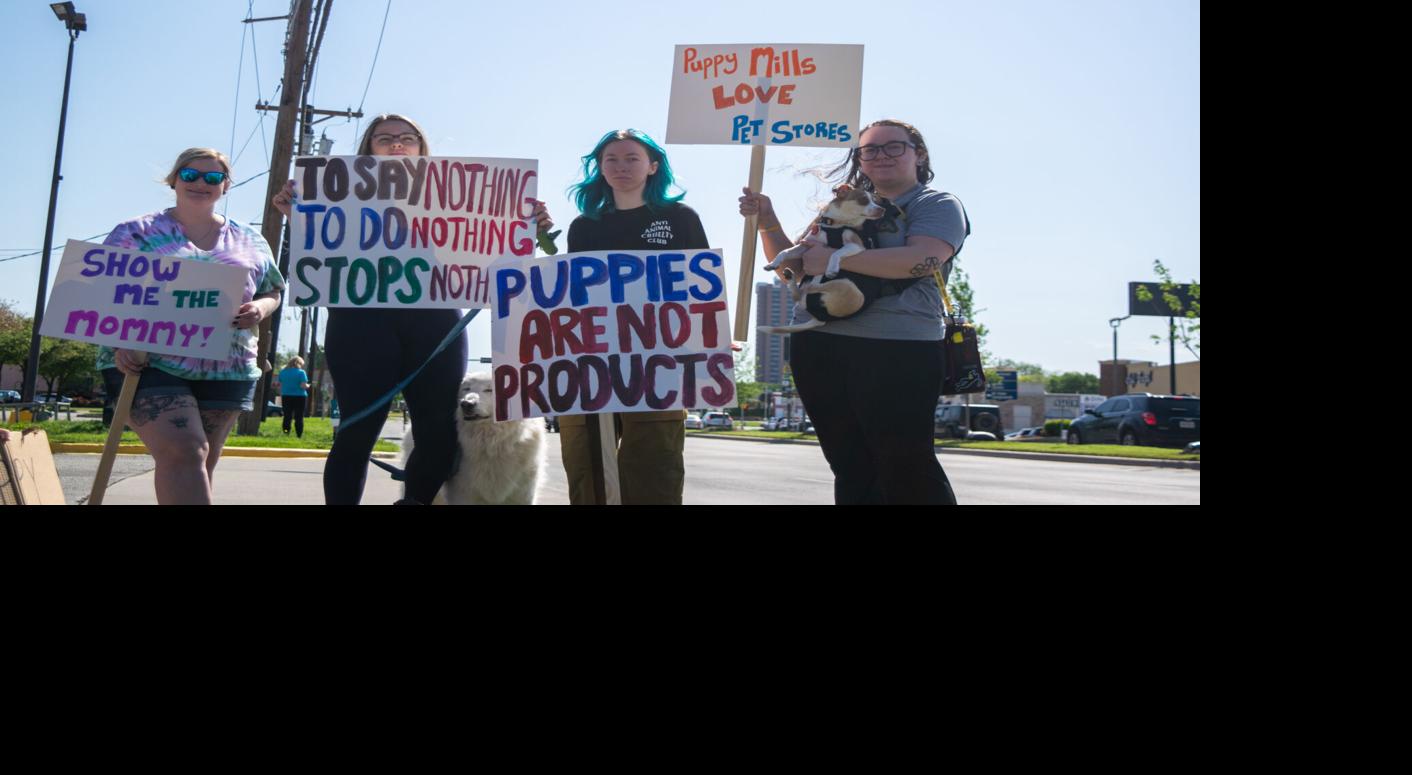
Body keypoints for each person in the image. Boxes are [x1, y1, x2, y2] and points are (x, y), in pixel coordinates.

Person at [272, 113, 553, 504]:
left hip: (435, 323)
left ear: (423, 149)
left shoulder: (457, 199)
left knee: (438, 433)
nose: (396, 144)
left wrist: (523, 229)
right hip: (359, 324)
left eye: (407, 137)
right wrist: (299, 217)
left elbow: (493, 261)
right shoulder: (332, 195)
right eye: (384, 138)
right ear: (368, 148)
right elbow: (309, 259)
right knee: (356, 432)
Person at [738, 120, 968, 504]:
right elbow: (792, 269)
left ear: (919, 154)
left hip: (898, 347)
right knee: (851, 468)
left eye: (893, 147)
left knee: (907, 467)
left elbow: (921, 259)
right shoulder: (842, 206)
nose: (880, 156)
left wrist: (832, 259)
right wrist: (767, 220)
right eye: (869, 150)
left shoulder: (935, 204)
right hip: (819, 346)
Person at [99, 147, 285, 505]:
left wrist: (260, 310)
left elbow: (272, 289)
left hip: (226, 365)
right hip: (146, 360)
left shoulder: (251, 239)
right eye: (191, 175)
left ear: (226, 186)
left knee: (202, 460)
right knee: (186, 450)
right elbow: (102, 290)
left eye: (213, 177)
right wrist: (119, 341)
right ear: (174, 180)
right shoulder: (136, 232)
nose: (201, 183)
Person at [557, 129, 707, 505]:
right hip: (593, 362)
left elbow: (703, 286)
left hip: (660, 361)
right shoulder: (583, 226)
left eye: (632, 158)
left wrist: (711, 333)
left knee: (654, 466)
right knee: (588, 466)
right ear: (600, 170)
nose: (621, 167)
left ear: (653, 166)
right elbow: (574, 296)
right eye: (611, 160)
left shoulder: (680, 218)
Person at [278, 356, 310, 438]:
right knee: (299, 416)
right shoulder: (301, 372)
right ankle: (299, 435)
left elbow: (279, 384)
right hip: (300, 397)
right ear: (299, 363)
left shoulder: (283, 372)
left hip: (286, 396)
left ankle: (286, 432)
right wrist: (308, 386)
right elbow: (303, 386)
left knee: (287, 416)